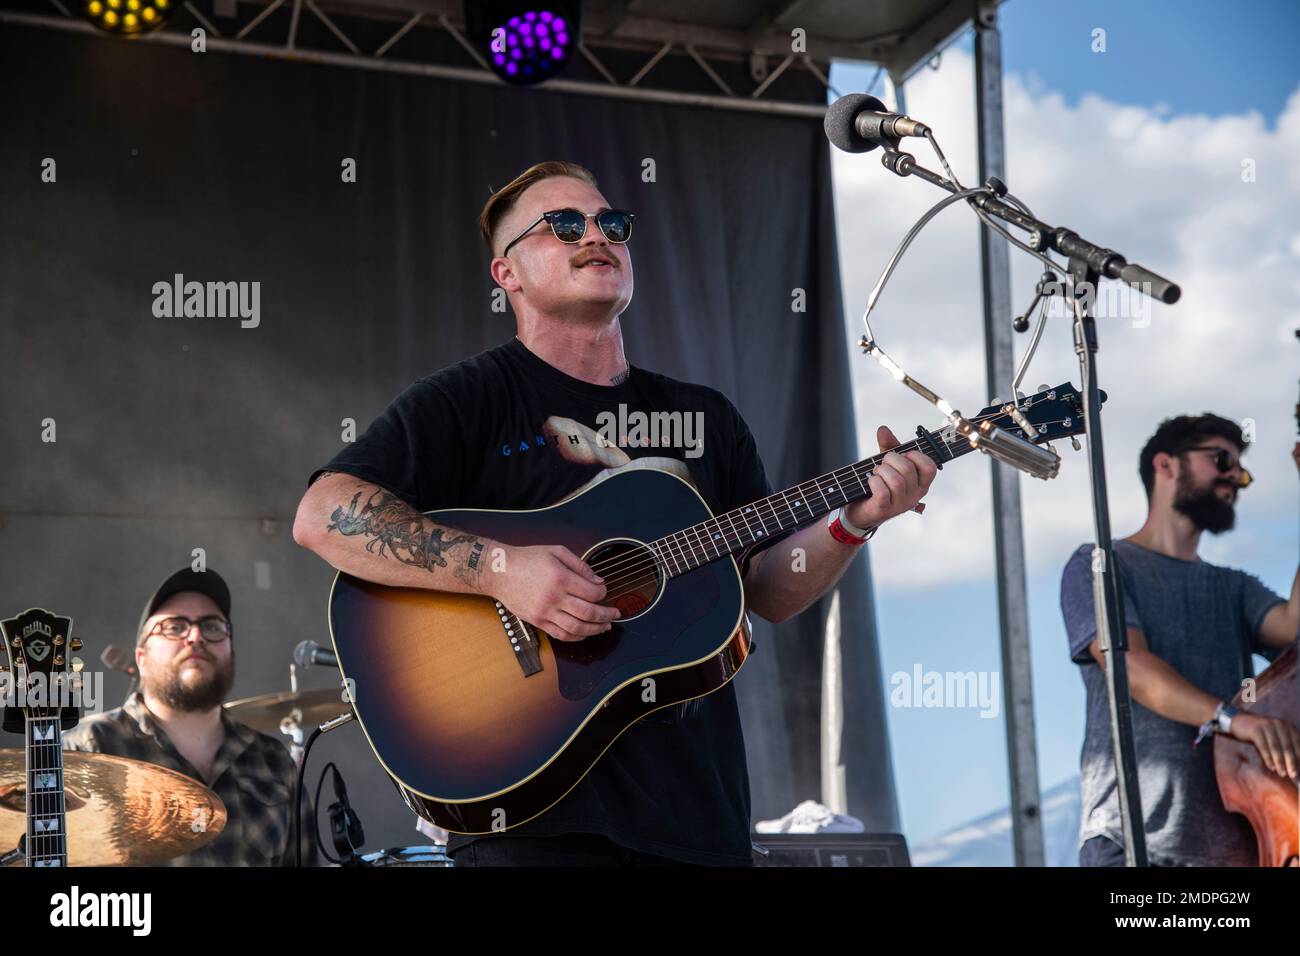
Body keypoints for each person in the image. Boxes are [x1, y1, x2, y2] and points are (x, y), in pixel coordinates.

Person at [292, 160, 936, 866]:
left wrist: (856, 520)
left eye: (612, 223)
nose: (596, 235)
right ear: (506, 274)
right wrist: (501, 570)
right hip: (530, 819)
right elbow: (325, 514)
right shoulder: (467, 400)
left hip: (697, 819)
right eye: (564, 225)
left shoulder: (705, 418)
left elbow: (768, 591)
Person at [1061, 414, 1300, 866]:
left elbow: (1292, 628)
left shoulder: (1234, 586)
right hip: (1132, 841)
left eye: (1241, 468)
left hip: (1236, 845)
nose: (1237, 478)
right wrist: (1234, 720)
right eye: (1223, 459)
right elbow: (1133, 669)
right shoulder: (1098, 564)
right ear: (1166, 465)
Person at [63, 567, 316, 866]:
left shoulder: (272, 760)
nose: (196, 637)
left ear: (231, 650)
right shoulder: (86, 749)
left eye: (212, 627)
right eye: (174, 627)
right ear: (141, 658)